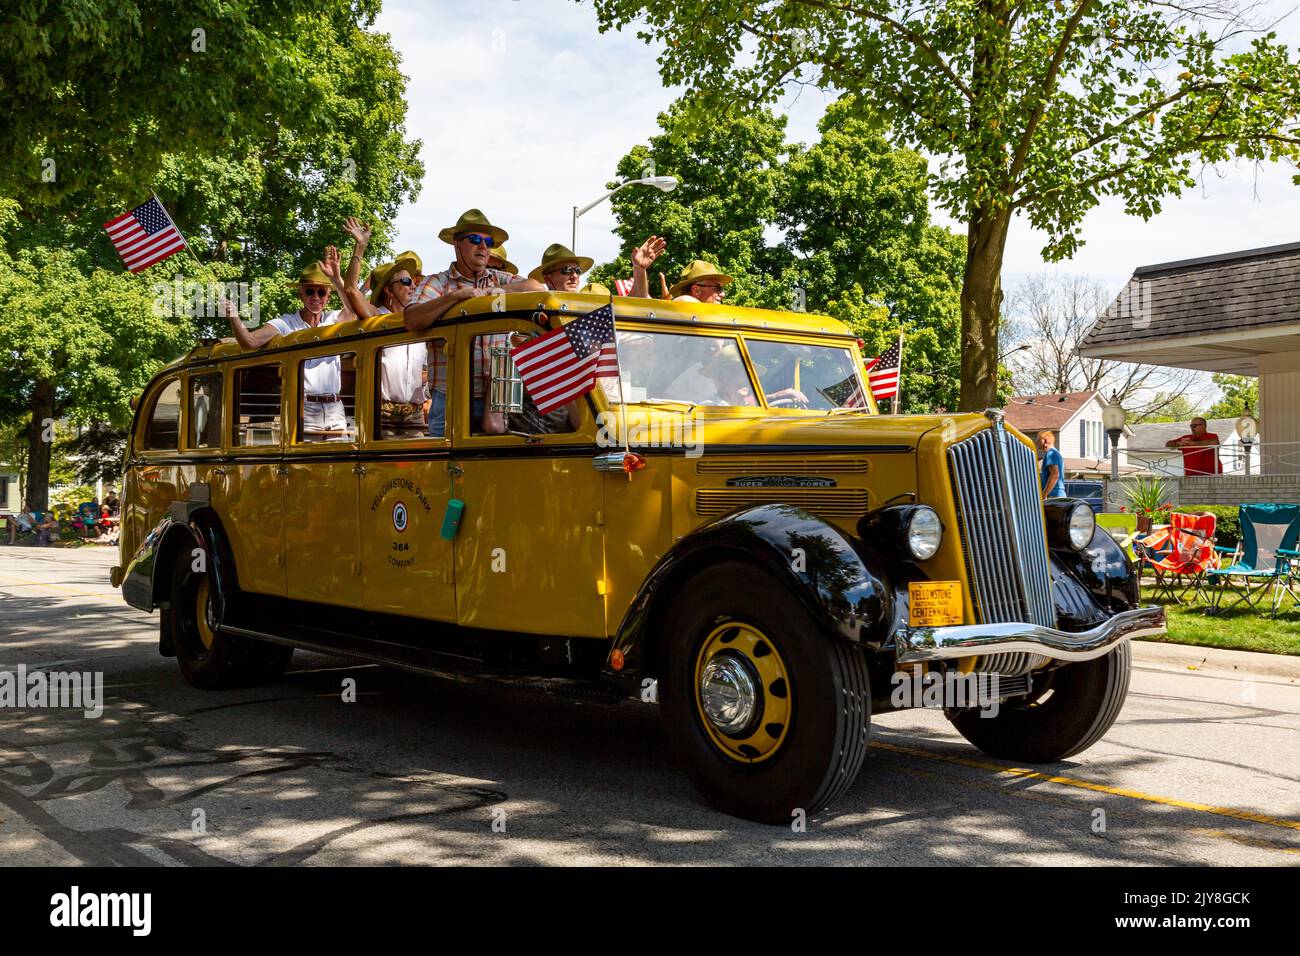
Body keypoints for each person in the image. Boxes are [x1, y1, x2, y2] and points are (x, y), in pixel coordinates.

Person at [402, 210, 545, 435]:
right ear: (457, 244)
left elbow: (536, 288)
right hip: (450, 399)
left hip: (496, 401)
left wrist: (487, 293)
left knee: (492, 467)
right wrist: (455, 298)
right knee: (447, 466)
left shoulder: (498, 279)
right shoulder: (438, 283)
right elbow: (411, 319)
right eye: (475, 240)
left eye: (488, 242)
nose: (483, 247)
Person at [224, 258, 356, 438]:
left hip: (335, 406)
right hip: (304, 407)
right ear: (300, 295)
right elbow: (250, 342)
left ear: (328, 296)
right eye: (309, 291)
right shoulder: (287, 323)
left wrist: (336, 279)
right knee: (306, 463)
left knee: (340, 461)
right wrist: (233, 316)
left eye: (321, 292)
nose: (315, 297)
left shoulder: (333, 320)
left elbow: (352, 310)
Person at [530, 243, 594, 292]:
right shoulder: (535, 307)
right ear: (547, 279)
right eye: (567, 270)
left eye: (578, 270)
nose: (575, 276)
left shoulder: (590, 306)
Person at [1039, 430, 1066, 499]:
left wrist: (1043, 495)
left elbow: (1055, 475)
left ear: (1045, 441)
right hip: (1058, 495)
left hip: (1053, 496)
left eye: (1039, 440)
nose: (1037, 443)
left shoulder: (1051, 453)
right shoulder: (1056, 453)